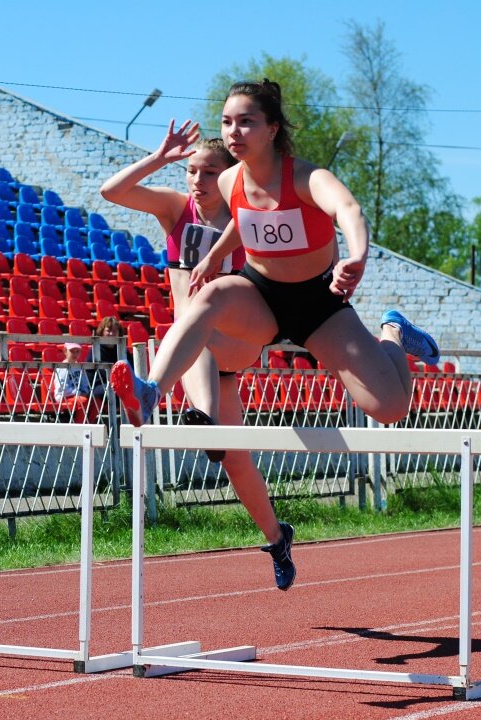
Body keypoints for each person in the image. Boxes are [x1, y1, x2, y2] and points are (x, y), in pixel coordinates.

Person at [110, 79, 441, 592]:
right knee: (210, 297)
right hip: (263, 295)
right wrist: (218, 257)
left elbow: (349, 212)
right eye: (226, 122)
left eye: (245, 122)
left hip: (318, 303)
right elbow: (246, 219)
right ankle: (151, 391)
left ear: (272, 129)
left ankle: (394, 333)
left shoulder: (309, 177)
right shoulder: (228, 182)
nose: (234, 131)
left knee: (389, 408)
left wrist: (355, 256)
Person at [100, 122, 295, 590]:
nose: (197, 181)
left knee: (201, 323)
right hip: (196, 359)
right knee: (234, 459)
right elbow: (112, 191)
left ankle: (181, 410)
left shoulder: (245, 216)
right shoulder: (175, 210)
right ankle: (277, 538)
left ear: (229, 177)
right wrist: (161, 157)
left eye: (209, 173)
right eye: (191, 171)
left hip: (238, 343)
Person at [51, 342, 100, 423]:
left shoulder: (79, 367)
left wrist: (85, 392)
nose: (75, 354)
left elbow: (85, 383)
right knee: (83, 401)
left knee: (97, 401)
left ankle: (89, 423)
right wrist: (80, 393)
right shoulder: (62, 367)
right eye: (72, 351)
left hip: (78, 395)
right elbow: (63, 388)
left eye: (77, 351)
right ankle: (79, 425)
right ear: (65, 351)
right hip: (65, 396)